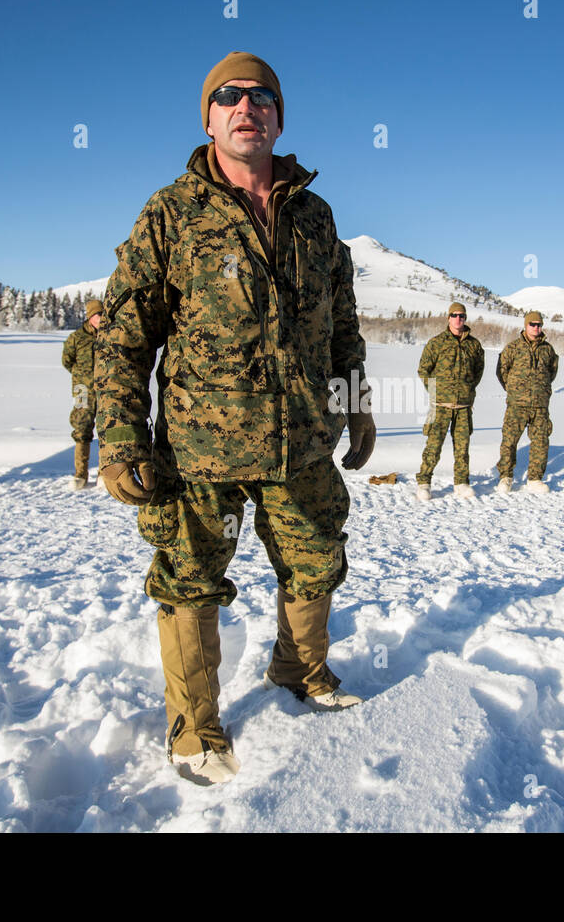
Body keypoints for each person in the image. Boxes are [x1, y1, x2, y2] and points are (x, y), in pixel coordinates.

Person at [95, 51, 376, 787]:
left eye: (260, 96)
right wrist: (122, 436)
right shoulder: (172, 212)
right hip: (198, 451)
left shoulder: (316, 218)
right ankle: (195, 731)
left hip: (303, 443)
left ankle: (300, 670)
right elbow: (124, 332)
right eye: (228, 97)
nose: (244, 106)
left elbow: (341, 324)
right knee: (190, 580)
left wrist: (356, 407)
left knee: (316, 561)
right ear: (210, 117)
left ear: (280, 117)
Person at [415, 302, 484, 500]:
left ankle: (461, 483)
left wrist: (468, 388)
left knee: (462, 448)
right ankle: (424, 483)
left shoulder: (474, 345)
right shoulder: (436, 343)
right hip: (441, 406)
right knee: (433, 446)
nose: (458, 319)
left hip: (463, 406)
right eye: (454, 315)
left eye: (461, 315)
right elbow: (423, 370)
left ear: (465, 318)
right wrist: (436, 392)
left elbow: (478, 371)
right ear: (448, 318)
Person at [495, 310, 559, 495]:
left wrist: (541, 389)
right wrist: (514, 389)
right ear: (525, 325)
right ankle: (506, 477)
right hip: (517, 404)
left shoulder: (548, 350)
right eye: (533, 324)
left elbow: (551, 372)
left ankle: (535, 478)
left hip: (540, 405)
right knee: (509, 441)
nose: (536, 328)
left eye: (539, 325)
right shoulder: (513, 348)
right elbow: (502, 371)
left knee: (540, 441)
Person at [61, 299, 104, 490]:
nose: (102, 318)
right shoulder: (76, 338)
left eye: (103, 314)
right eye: (98, 314)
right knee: (81, 430)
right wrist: (81, 378)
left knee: (106, 431)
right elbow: (67, 361)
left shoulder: (110, 336)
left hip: (105, 390)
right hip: (82, 391)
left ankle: (104, 474)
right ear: (90, 317)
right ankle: (80, 474)